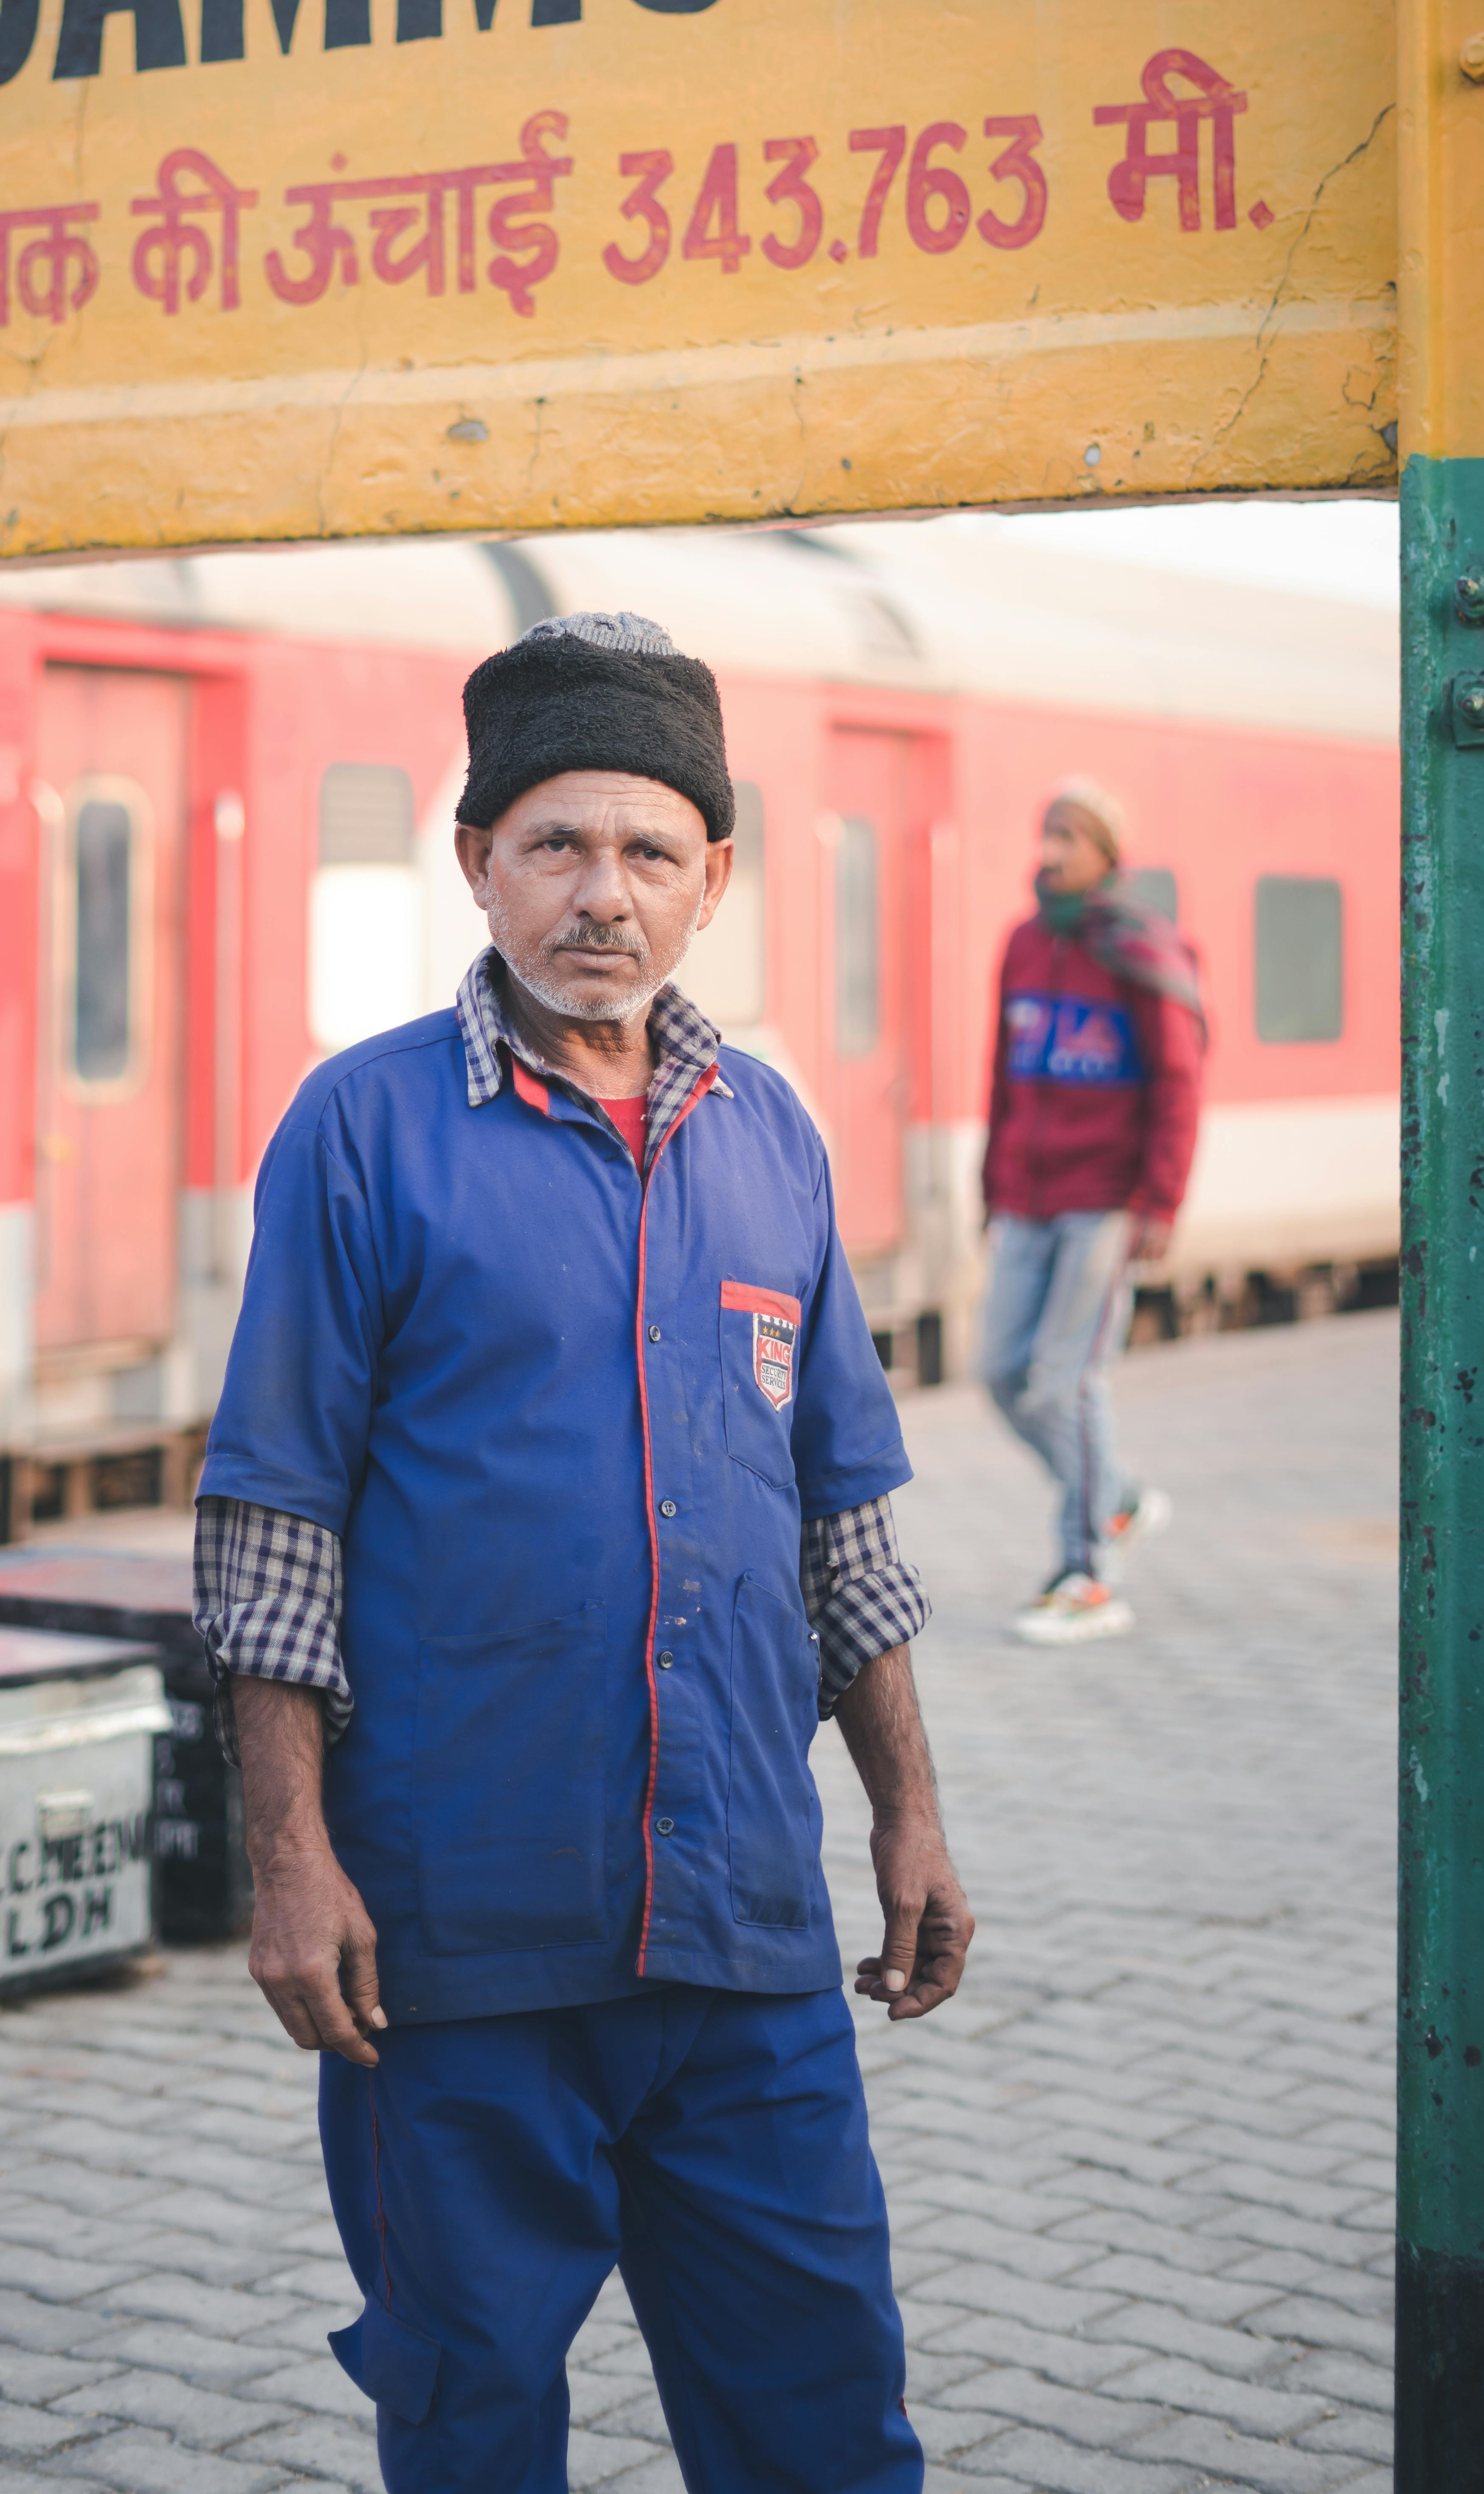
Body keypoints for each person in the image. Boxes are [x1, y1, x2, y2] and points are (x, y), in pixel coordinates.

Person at [194, 609, 971, 2494]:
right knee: (471, 2430)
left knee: (826, 2426)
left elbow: (839, 1514)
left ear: (714, 877)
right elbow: (272, 1521)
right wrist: (287, 1857)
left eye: (644, 849)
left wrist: (909, 1814)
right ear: (476, 865)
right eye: (552, 842)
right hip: (458, 1948)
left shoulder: (769, 1133)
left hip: (745, 1943)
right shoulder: (362, 1128)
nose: (597, 894)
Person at [978, 778, 1207, 1647]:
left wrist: (1160, 1198)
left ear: (1108, 855)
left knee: (1066, 1381)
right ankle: (1111, 1498)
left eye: (1068, 838)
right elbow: (1001, 1069)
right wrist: (989, 1183)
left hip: (1107, 1199)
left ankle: (1087, 1573)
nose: (1050, 852)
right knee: (999, 1371)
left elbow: (1179, 1081)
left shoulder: (1142, 949)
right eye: (1045, 834)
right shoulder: (1023, 944)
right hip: (1027, 1195)